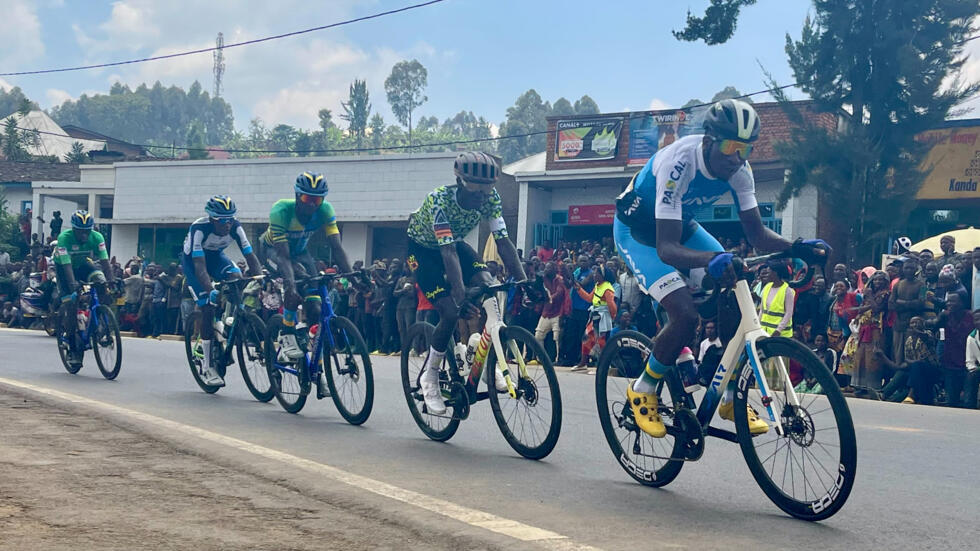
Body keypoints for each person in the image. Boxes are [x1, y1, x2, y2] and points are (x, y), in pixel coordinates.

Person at [612, 98, 829, 437]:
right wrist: (711, 259)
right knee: (686, 316)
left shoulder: (741, 171)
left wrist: (795, 247)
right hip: (639, 235)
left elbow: (757, 235)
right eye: (730, 147)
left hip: (681, 227)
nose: (736, 157)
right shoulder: (679, 162)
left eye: (745, 149)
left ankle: (730, 397)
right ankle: (643, 388)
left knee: (735, 292)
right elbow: (667, 249)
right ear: (709, 140)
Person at [406, 152, 526, 414]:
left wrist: (524, 281)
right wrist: (460, 297)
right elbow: (447, 253)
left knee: (487, 283)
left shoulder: (491, 199)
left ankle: (480, 352)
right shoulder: (439, 199)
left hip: (455, 245)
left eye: (486, 191)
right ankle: (430, 375)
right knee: (450, 311)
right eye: (476, 191)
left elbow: (503, 242)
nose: (481, 197)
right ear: (461, 183)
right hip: (423, 252)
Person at [258, 172, 353, 400]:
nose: (312, 205)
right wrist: (291, 285)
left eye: (317, 200)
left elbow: (336, 247)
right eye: (307, 199)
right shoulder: (281, 210)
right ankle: (286, 332)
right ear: (297, 196)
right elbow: (283, 257)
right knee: (294, 286)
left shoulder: (325, 210)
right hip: (273, 251)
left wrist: (352, 276)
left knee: (316, 308)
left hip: (300, 253)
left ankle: (316, 369)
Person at [181, 195, 262, 387]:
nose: (228, 224)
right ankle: (208, 365)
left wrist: (260, 279)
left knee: (236, 278)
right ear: (212, 219)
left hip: (217, 258)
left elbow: (250, 256)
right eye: (223, 221)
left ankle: (226, 321)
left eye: (230, 219)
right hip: (194, 263)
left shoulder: (236, 227)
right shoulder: (199, 229)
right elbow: (200, 267)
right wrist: (210, 290)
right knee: (208, 308)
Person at [52, 210, 117, 368]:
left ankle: (101, 323)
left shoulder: (97, 237)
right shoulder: (64, 238)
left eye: (87, 231)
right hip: (64, 269)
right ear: (74, 229)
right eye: (80, 231)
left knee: (101, 282)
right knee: (71, 303)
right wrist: (73, 286)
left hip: (83, 265)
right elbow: (66, 265)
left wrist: (111, 281)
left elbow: (105, 262)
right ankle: (73, 347)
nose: (84, 235)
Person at [574, 265, 618, 371]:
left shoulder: (607, 288)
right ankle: (583, 363)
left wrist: (612, 317)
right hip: (595, 316)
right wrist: (579, 289)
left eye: (596, 273)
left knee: (601, 342)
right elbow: (590, 298)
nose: (594, 275)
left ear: (602, 275)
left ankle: (603, 366)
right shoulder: (598, 285)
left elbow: (612, 306)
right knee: (586, 339)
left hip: (602, 318)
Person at [888, 258, 925, 364]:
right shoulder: (897, 284)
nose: (909, 270)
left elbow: (921, 303)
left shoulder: (922, 285)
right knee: (897, 353)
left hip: (914, 325)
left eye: (911, 268)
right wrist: (909, 304)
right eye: (906, 268)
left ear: (916, 270)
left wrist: (903, 302)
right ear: (903, 269)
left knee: (912, 352)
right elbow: (891, 304)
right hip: (899, 323)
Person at [534, 261, 568, 362]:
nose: (546, 270)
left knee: (557, 338)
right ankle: (541, 358)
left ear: (554, 269)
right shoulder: (543, 279)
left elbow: (559, 293)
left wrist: (549, 298)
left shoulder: (559, 280)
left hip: (557, 313)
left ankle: (557, 359)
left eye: (548, 268)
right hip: (546, 312)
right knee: (538, 335)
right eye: (546, 268)